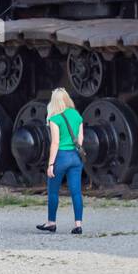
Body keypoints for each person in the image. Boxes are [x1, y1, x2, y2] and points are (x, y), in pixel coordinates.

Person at [37, 88, 84, 234]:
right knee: (76, 192)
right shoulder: (76, 115)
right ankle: (78, 224)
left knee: (53, 191)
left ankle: (51, 222)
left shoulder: (55, 118)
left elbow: (55, 143)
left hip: (61, 158)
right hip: (76, 157)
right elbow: (80, 139)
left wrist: (51, 164)